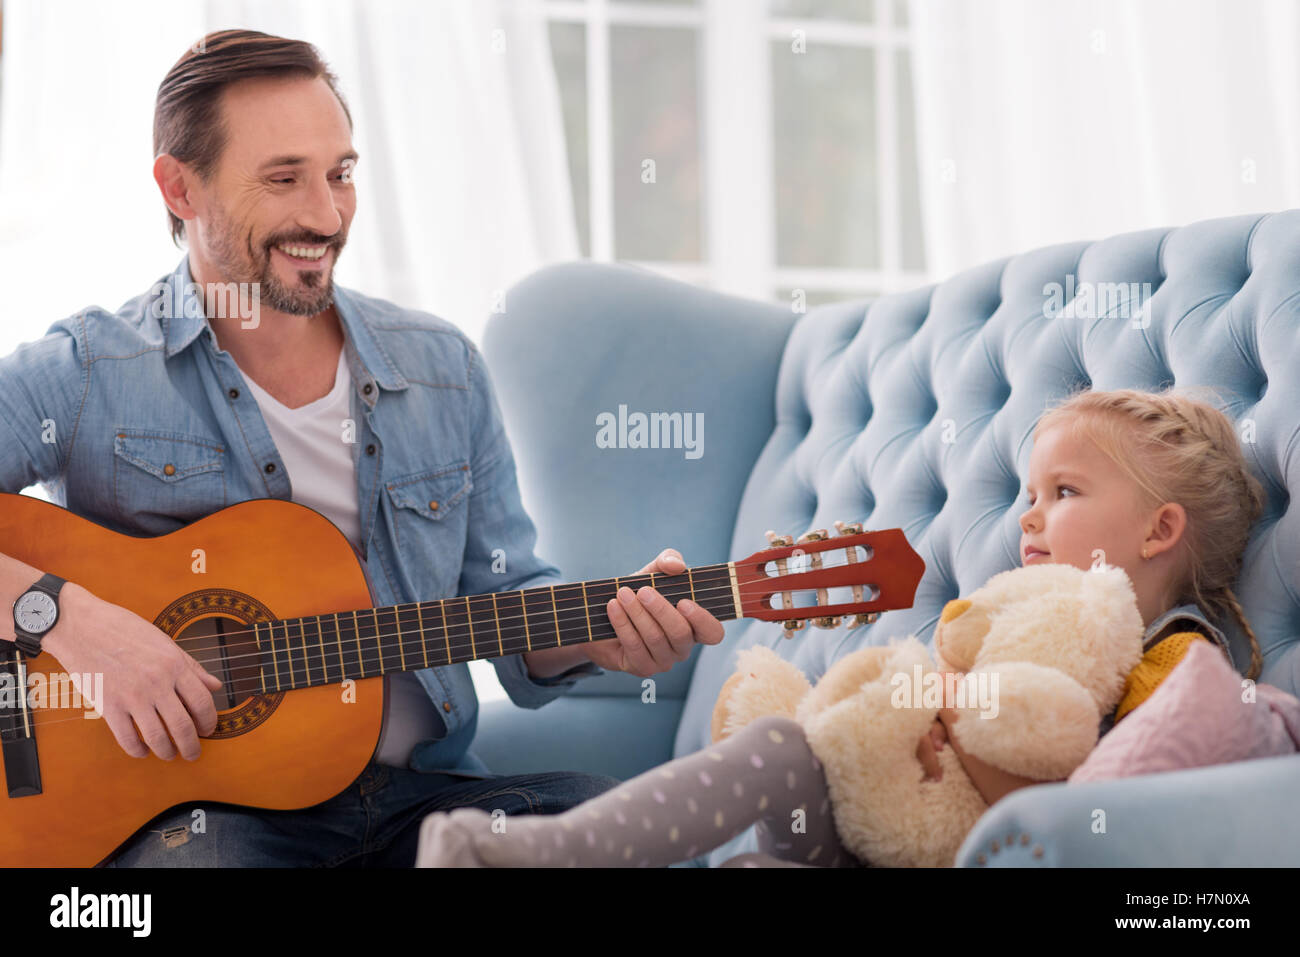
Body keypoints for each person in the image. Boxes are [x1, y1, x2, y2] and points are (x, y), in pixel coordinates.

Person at [0, 29, 724, 866]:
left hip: (427, 796)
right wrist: (69, 621)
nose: (326, 214)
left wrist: (602, 632)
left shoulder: (441, 368)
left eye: (341, 174)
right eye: (284, 178)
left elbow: (511, 596)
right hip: (202, 820)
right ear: (181, 186)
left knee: (618, 835)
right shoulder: (92, 368)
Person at [416, 386, 1267, 867]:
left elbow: (1084, 828)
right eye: (1028, 496)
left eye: (1064, 493)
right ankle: (551, 852)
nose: (1028, 520)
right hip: (871, 835)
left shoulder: (1176, 666)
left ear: (1160, 530)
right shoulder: (1014, 619)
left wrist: (956, 731)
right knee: (784, 752)